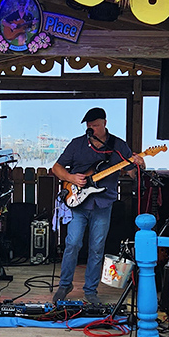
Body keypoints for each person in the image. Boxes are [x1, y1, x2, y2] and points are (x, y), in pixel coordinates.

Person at [51, 107, 145, 306]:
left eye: (95, 125)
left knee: (96, 248)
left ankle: (90, 290)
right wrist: (70, 177)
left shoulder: (118, 146)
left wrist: (139, 164)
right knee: (73, 243)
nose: (91, 128)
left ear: (104, 123)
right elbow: (56, 168)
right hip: (78, 204)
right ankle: (64, 284)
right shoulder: (77, 144)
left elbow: (131, 173)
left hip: (103, 204)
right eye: (88, 126)